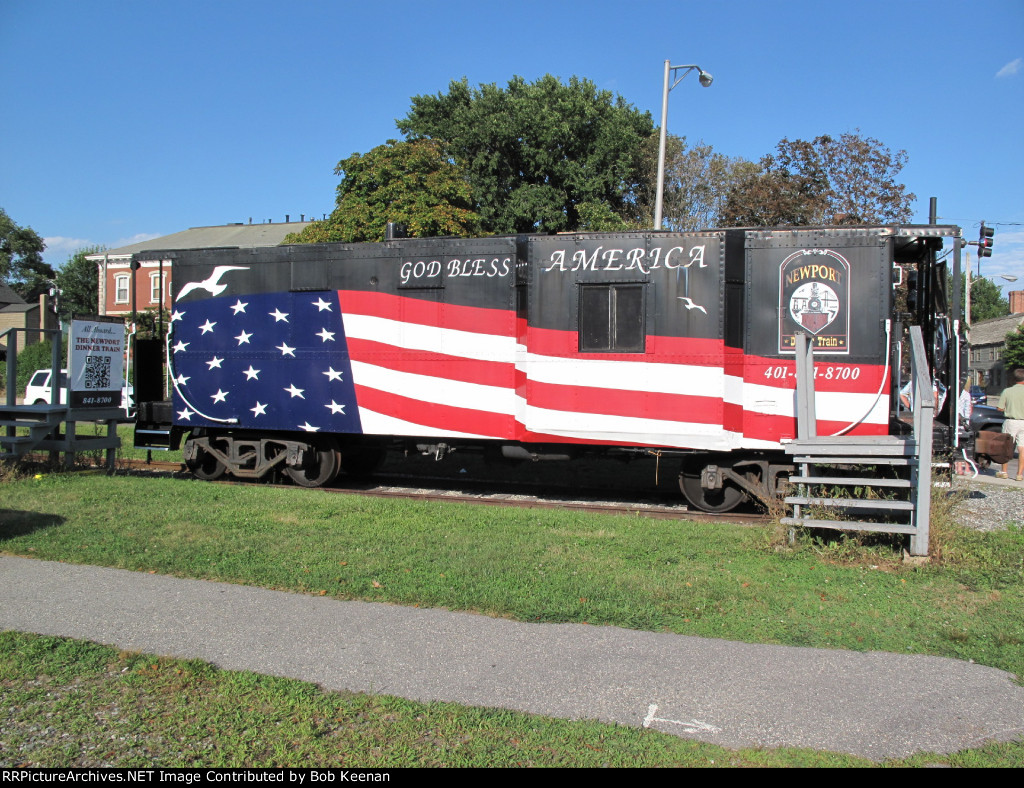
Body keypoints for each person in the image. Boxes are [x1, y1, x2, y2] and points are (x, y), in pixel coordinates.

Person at [995, 368, 1024, 480]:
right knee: (1022, 448)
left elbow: (1000, 408)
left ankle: (1004, 472)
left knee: (1006, 447)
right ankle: (1019, 474)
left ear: (1014, 378)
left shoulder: (1007, 391)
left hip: (1011, 421)